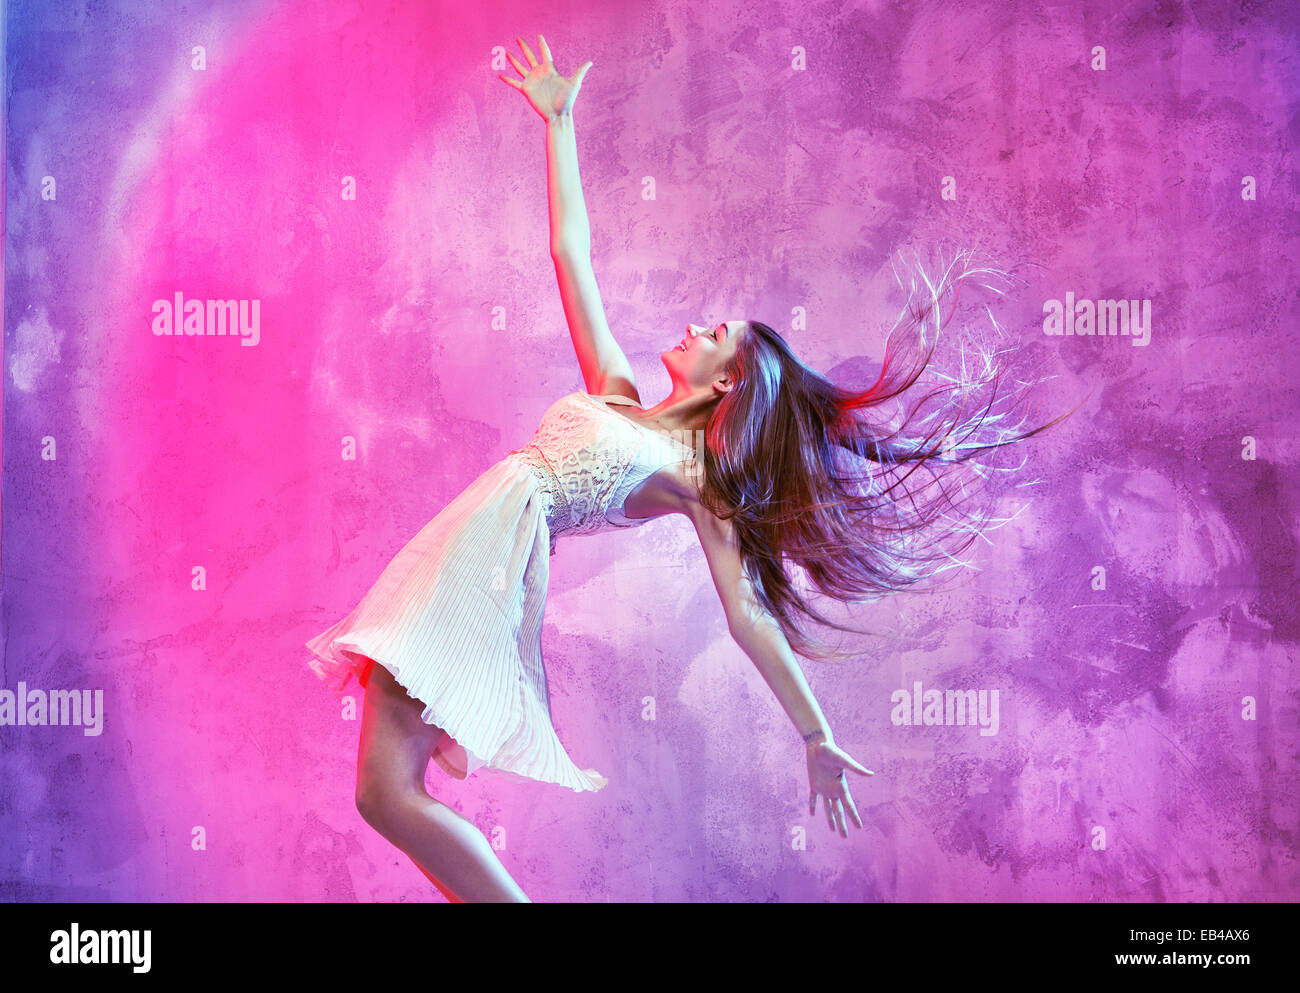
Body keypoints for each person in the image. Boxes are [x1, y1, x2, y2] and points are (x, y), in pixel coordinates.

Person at [304, 34, 1075, 903]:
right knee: (381, 794)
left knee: (385, 794)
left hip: (482, 568)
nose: (701, 326)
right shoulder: (618, 396)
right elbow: (572, 258)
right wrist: (558, 125)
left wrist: (815, 734)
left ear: (729, 382)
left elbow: (748, 616)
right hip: (459, 545)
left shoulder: (697, 481)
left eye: (718, 336)